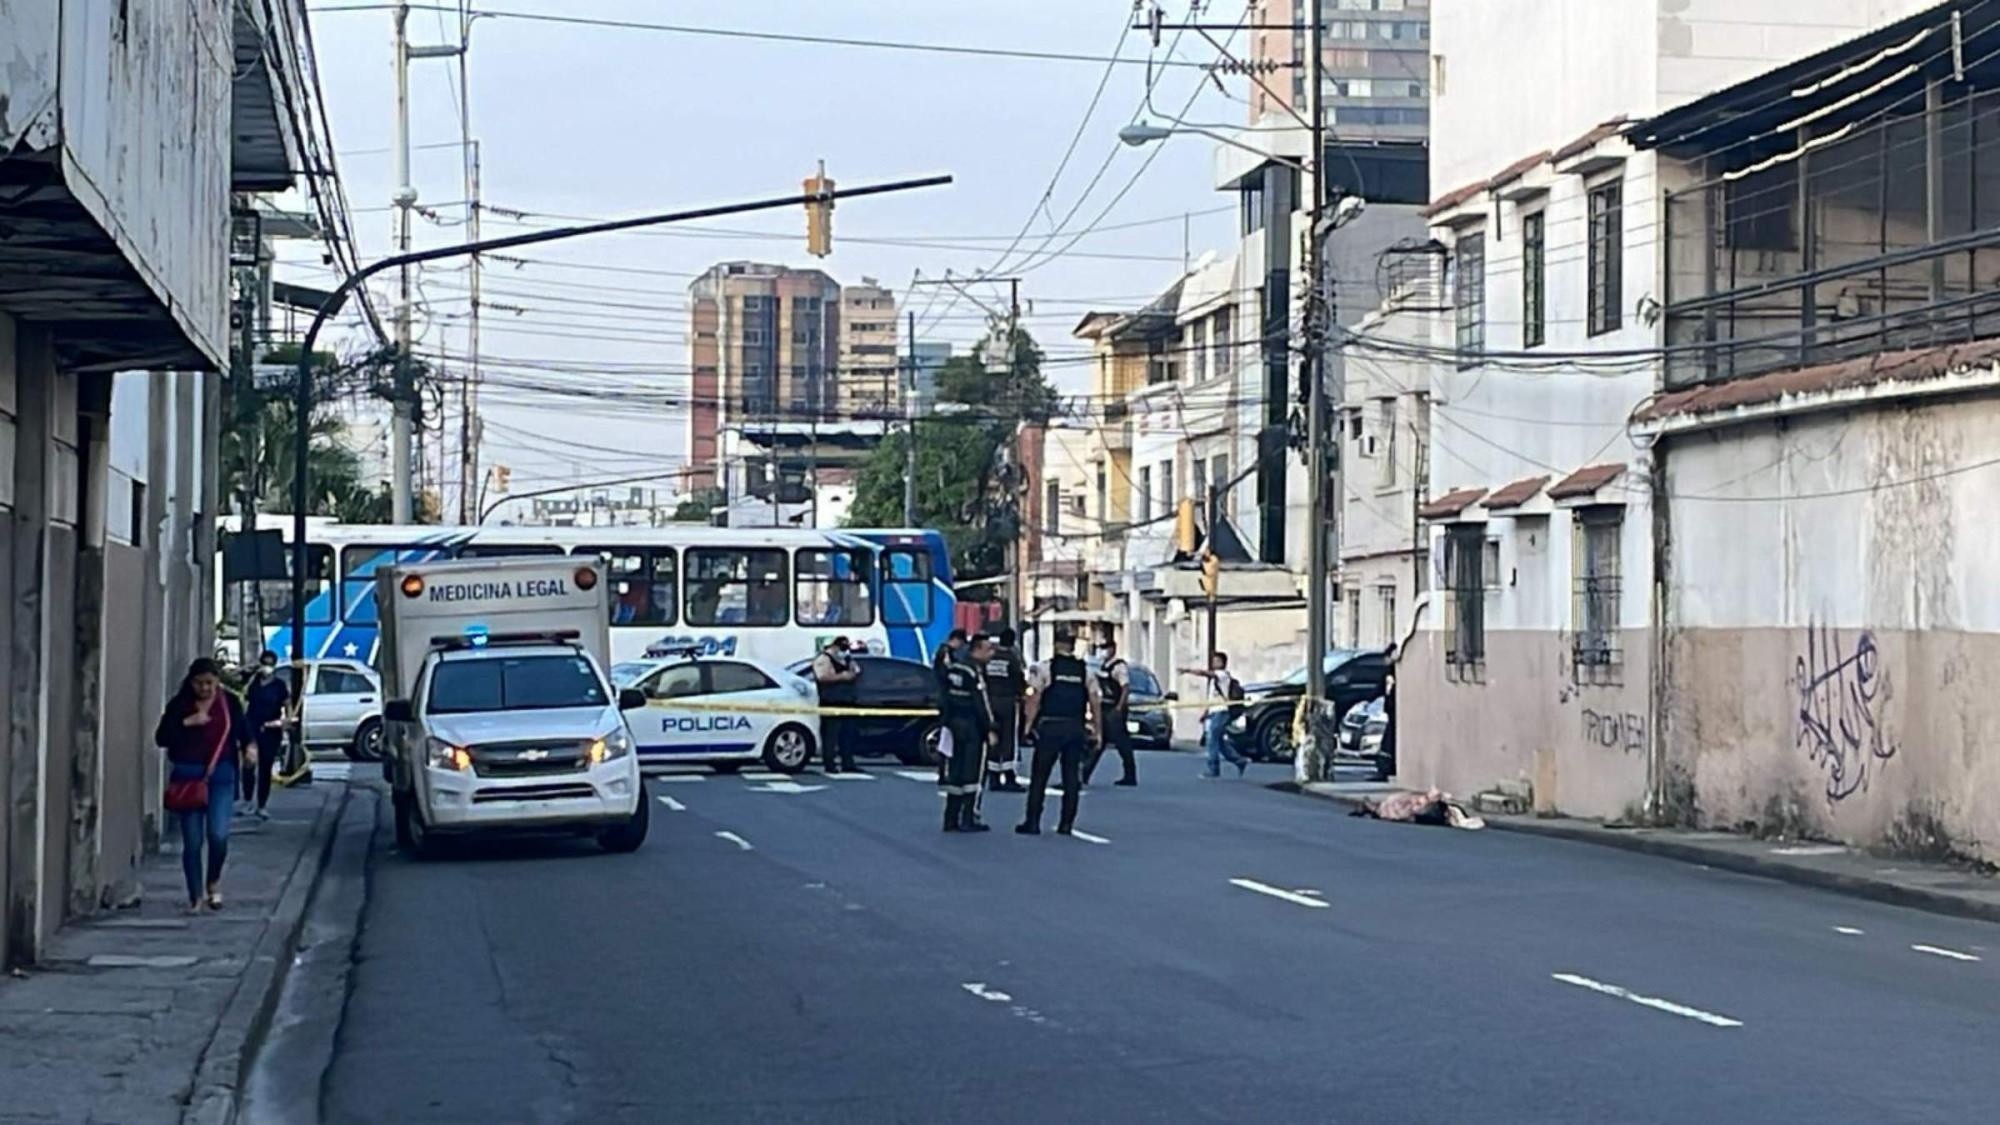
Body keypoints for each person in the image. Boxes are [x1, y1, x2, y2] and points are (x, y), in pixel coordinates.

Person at [154, 659, 253, 912]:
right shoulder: (180, 705)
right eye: (200, 683)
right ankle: (195, 896)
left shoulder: (229, 703)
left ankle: (214, 881)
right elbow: (162, 737)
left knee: (218, 835)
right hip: (188, 777)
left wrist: (250, 748)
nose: (205, 688)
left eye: (210, 683)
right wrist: (187, 723)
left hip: (221, 774)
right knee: (193, 841)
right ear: (191, 682)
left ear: (218, 681)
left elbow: (244, 732)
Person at [1017, 630, 1100, 836]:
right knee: (1071, 776)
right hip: (1075, 728)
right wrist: (1098, 730)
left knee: (1040, 776)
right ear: (1072, 646)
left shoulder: (1046, 668)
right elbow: (1095, 701)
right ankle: (1066, 824)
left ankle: (1033, 822)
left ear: (1056, 645)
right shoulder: (1085, 671)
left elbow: (1034, 698)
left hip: (1050, 727)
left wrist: (1027, 726)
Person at [936, 634, 996, 833]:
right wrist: (990, 728)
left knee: (956, 770)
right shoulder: (973, 672)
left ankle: (950, 817)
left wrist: (945, 722)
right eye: (988, 649)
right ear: (977, 650)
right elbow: (982, 702)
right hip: (972, 727)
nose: (991, 654)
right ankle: (968, 817)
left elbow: (945, 696)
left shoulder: (955, 668)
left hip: (954, 724)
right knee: (973, 772)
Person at [1181, 650, 1248, 779]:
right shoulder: (1215, 680)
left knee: (1212, 740)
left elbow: (1204, 673)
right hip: (1214, 711)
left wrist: (1188, 670)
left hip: (1221, 711)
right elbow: (1213, 698)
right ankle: (1239, 761)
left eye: (1217, 661)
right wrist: (1206, 713)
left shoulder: (1222, 675)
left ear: (1223, 663)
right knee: (1219, 742)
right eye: (1213, 660)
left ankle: (1213, 769)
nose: (1214, 663)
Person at [240, 651, 290, 820]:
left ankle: (262, 804)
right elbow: (243, 698)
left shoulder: (279, 686)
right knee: (249, 764)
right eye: (264, 663)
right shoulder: (253, 683)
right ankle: (247, 800)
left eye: (270, 664)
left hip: (271, 729)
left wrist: (286, 722)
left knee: (265, 768)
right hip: (252, 726)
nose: (266, 667)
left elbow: (287, 705)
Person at [1083, 638, 1138, 787]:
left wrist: (1119, 708)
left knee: (1122, 744)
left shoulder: (1119, 667)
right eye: (1101, 647)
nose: (1103, 650)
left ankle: (1130, 775)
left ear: (1113, 648)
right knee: (1098, 742)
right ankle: (1084, 774)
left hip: (1114, 710)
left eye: (1105, 647)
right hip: (1105, 708)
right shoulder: (1104, 666)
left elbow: (1125, 688)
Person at [979, 628, 1027, 792]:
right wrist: (1021, 694)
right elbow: (1019, 680)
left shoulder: (990, 657)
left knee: (994, 739)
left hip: (991, 701)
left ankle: (993, 776)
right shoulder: (1012, 659)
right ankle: (1009, 775)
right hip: (1008, 702)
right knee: (1008, 739)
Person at [811, 636, 863, 774]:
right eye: (839, 646)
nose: (841, 649)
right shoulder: (823, 659)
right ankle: (830, 764)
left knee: (848, 734)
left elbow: (856, 671)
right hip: (831, 703)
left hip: (847, 702)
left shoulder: (846, 659)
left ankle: (848, 763)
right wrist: (842, 676)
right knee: (830, 735)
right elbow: (822, 677)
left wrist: (851, 668)